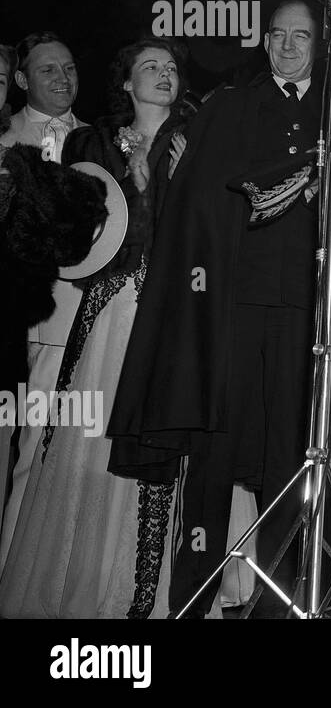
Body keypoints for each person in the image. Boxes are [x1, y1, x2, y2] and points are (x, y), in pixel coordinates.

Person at [108, 0, 323, 616]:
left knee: (290, 458)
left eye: (300, 36)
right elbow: (193, 209)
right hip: (231, 308)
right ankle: (190, 601)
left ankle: (280, 603)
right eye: (277, 35)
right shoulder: (229, 106)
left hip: (308, 317)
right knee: (214, 454)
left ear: (319, 43)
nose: (287, 46)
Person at [0, 40, 189, 618]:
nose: (162, 74)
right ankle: (72, 582)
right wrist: (131, 182)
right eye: (149, 67)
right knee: (81, 446)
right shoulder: (94, 142)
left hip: (171, 315)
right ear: (126, 82)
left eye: (171, 67)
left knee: (156, 449)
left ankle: (142, 592)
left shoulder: (199, 140)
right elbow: (75, 233)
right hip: (105, 314)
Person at [0, 32, 90, 572]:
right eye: (49, 70)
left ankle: (53, 576)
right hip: (17, 324)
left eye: (70, 68)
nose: (63, 79)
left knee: (64, 455)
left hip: (79, 319)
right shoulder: (5, 139)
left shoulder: (101, 141)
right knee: (20, 454)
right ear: (21, 80)